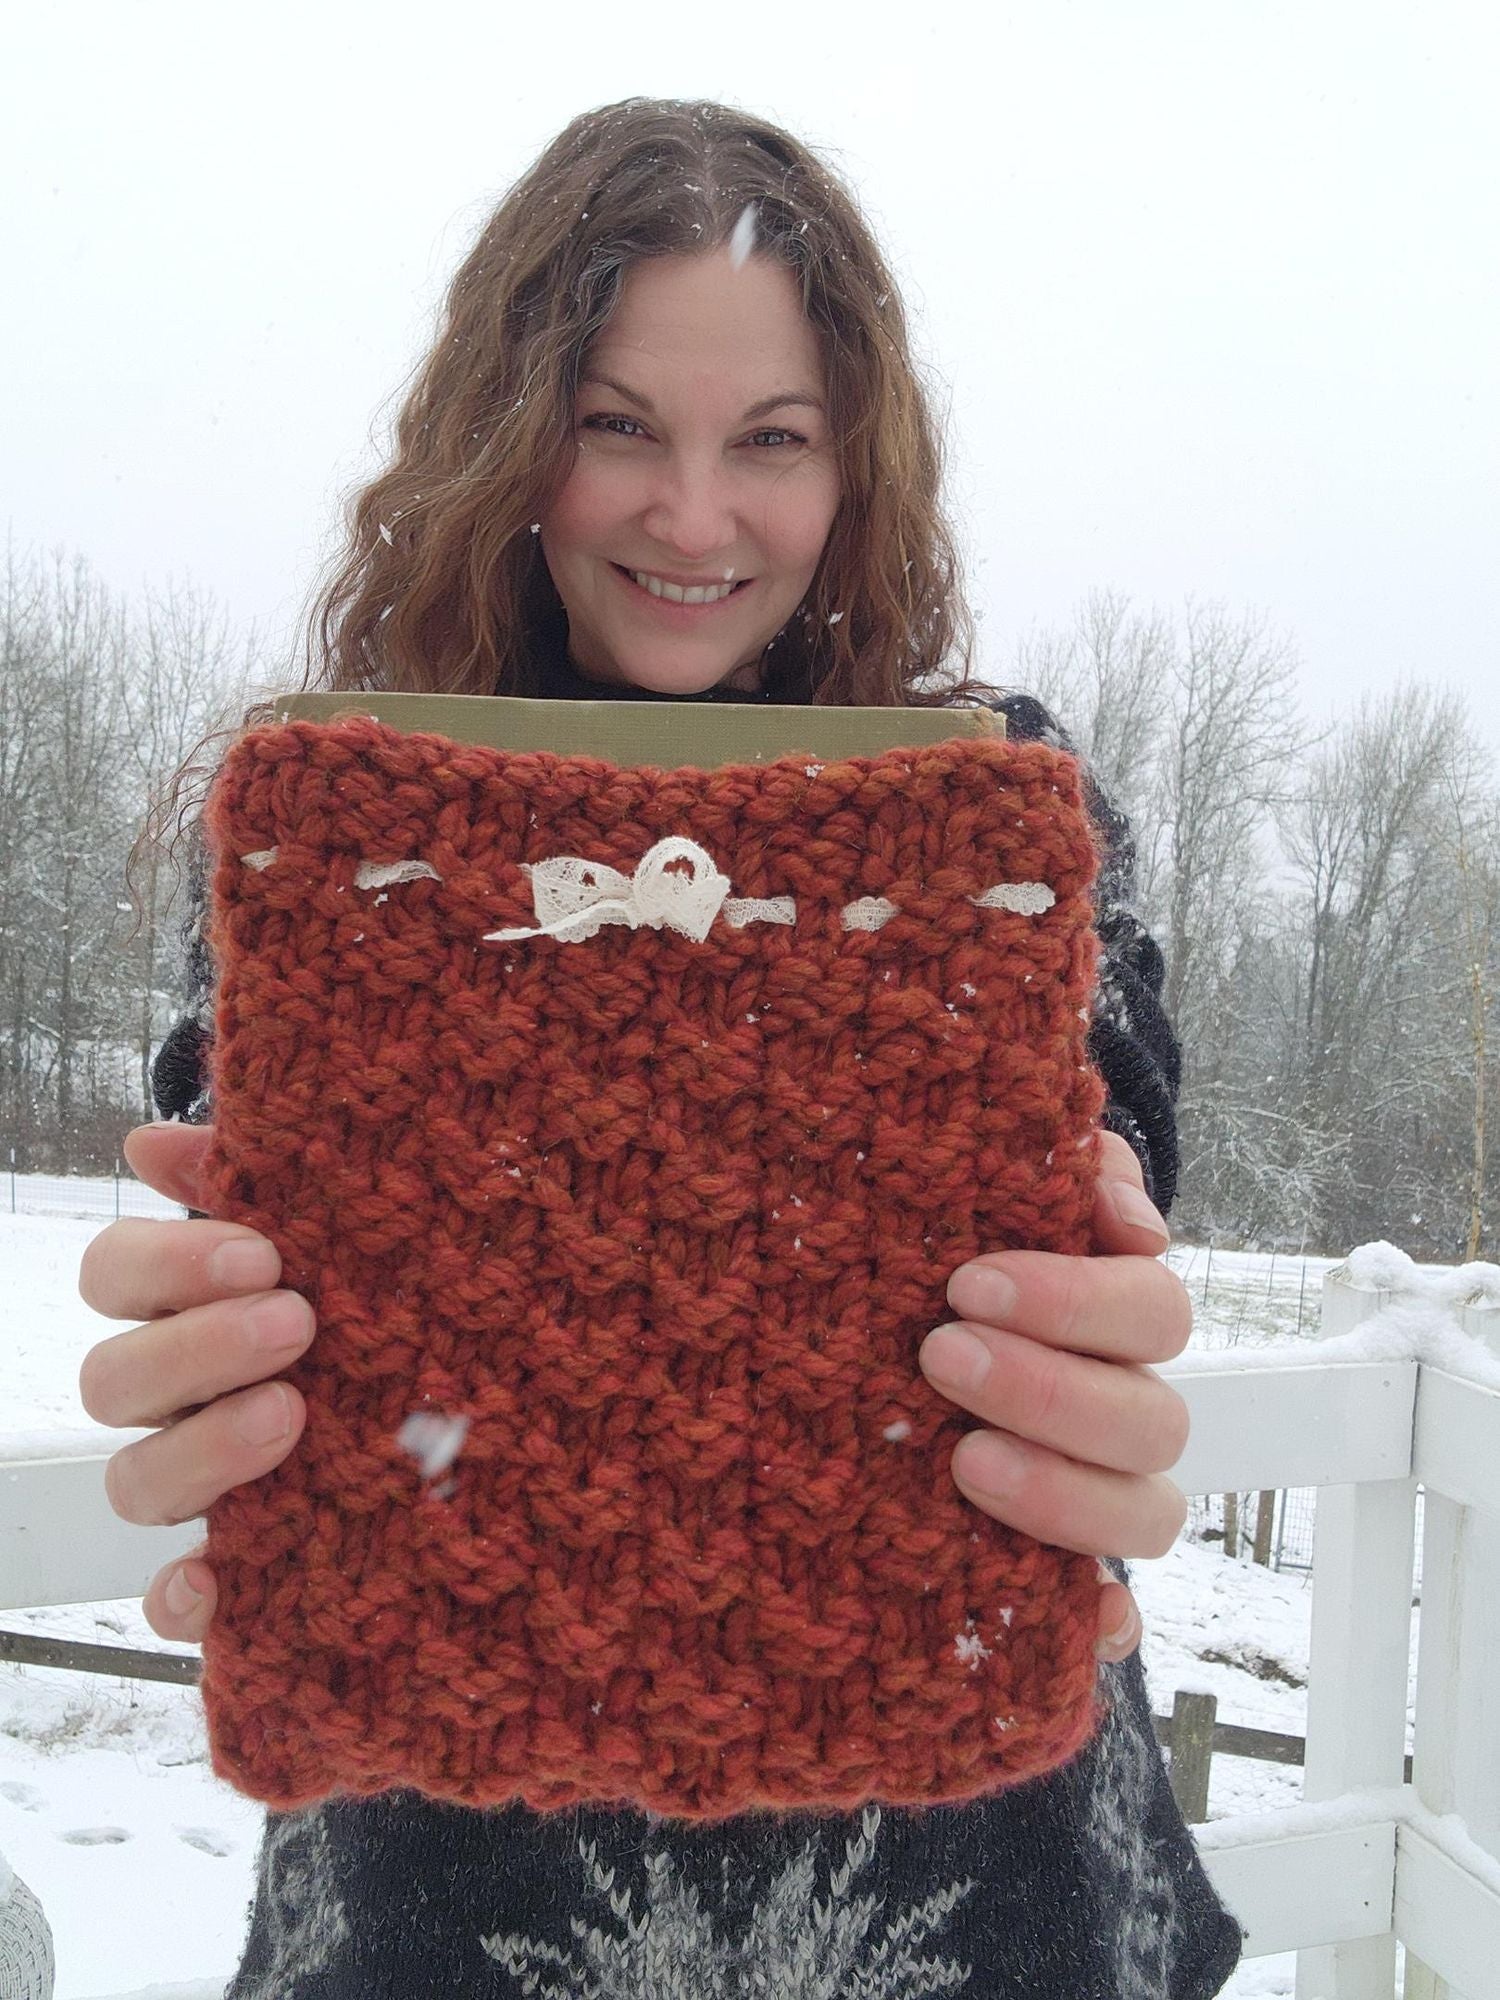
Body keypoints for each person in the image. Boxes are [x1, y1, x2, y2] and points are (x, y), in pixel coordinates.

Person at [77, 97, 1244, 1997]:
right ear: (510, 443)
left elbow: (1115, 1134)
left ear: (852, 471)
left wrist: (1095, 1281)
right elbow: (233, 1144)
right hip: (446, 1878)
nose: (693, 517)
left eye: (771, 443)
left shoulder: (991, 824)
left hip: (971, 1877)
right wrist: (211, 1351)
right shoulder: (346, 856)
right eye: (617, 424)